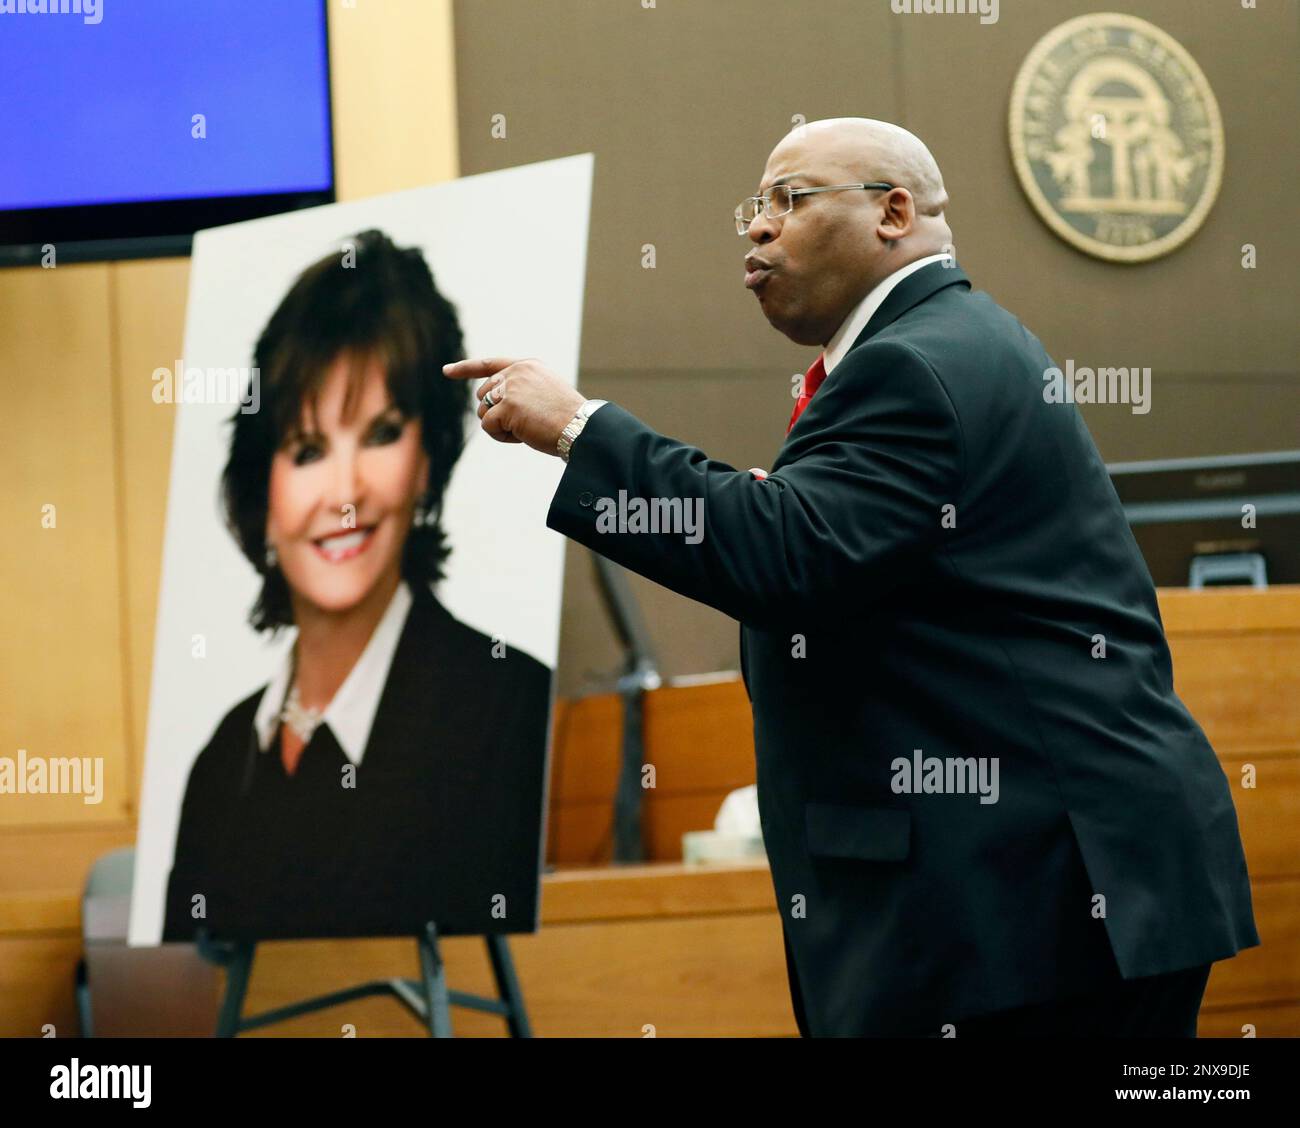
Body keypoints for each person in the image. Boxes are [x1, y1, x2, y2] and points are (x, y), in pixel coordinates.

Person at [443, 119, 1260, 1036]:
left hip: (1031, 901)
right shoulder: (946, 344)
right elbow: (825, 551)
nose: (758, 227)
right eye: (754, 208)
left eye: (790, 200)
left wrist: (577, 427)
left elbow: (786, 555)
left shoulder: (913, 363)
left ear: (894, 212)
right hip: (1038, 887)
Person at [162, 230, 551, 943]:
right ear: (263, 490)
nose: (344, 494)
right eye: (307, 449)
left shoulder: (514, 709)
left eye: (380, 435)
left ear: (428, 461)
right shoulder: (221, 763)